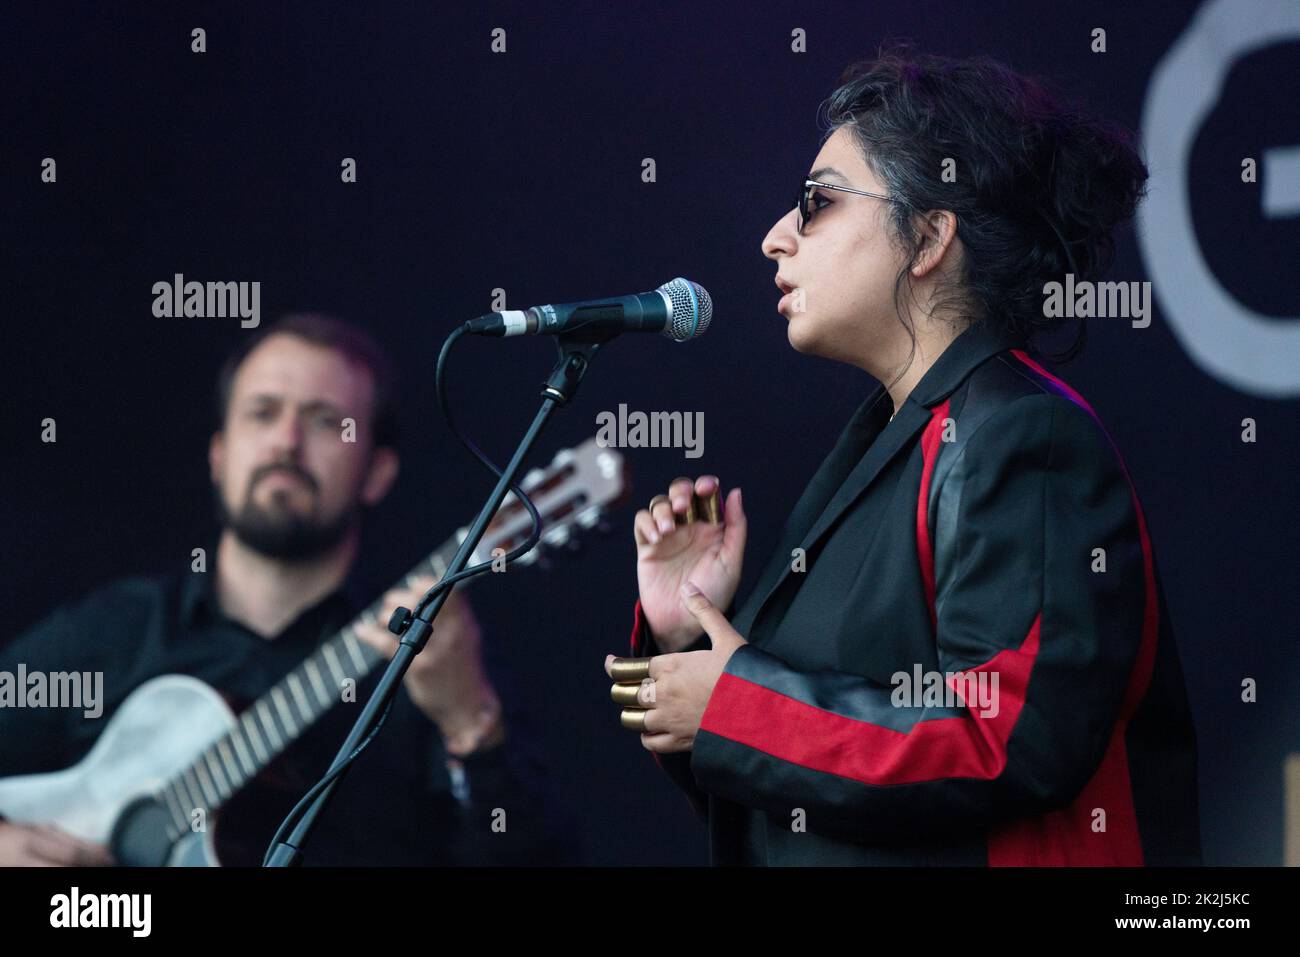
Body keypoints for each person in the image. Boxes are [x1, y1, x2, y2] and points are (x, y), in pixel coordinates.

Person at [605, 48, 1202, 866]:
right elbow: (777, 792)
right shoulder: (888, 446)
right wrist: (681, 643)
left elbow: (1007, 737)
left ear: (926, 238)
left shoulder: (1025, 436)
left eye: (816, 203)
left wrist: (738, 703)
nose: (775, 237)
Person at [0, 313, 578, 866]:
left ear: (377, 472)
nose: (286, 442)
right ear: (219, 455)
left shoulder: (432, 657)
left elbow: (536, 859)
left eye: (325, 421)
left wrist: (471, 721)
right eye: (262, 412)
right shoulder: (112, 632)